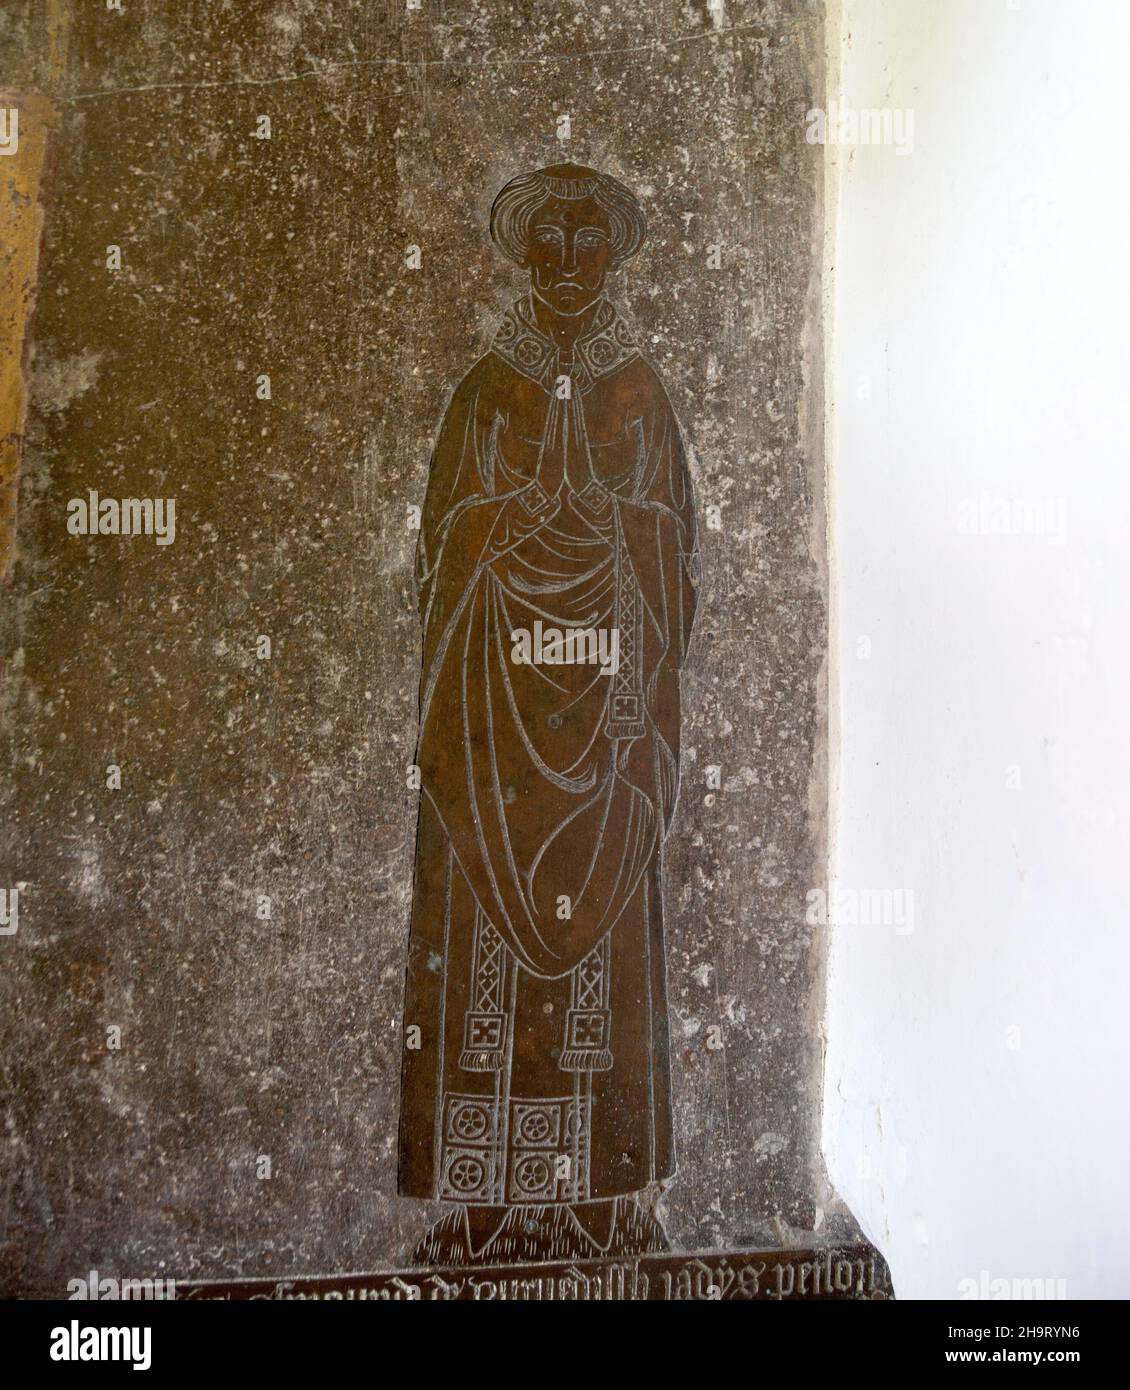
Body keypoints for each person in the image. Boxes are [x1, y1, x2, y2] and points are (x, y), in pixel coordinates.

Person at [398, 163, 699, 1264]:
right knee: (476, 931)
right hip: (496, 715)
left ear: (610, 257)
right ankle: (480, 1197)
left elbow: (674, 551)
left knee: (605, 940)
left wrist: (614, 522)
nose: (568, 263)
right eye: (550, 242)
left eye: (587, 241)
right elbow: (439, 550)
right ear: (526, 257)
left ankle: (603, 1192)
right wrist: (511, 515)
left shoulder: (640, 396)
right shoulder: (484, 391)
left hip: (605, 710)